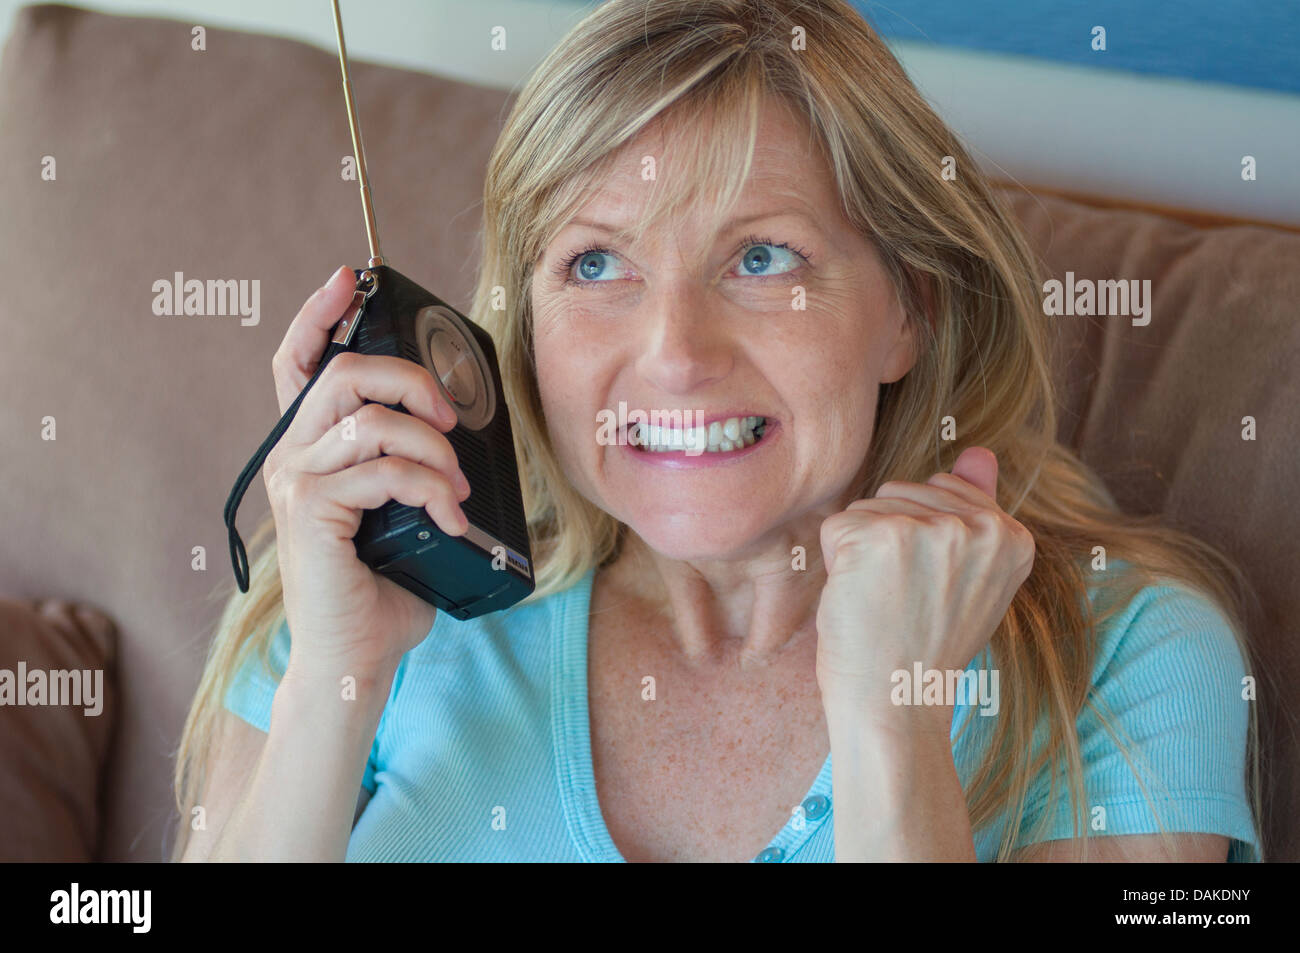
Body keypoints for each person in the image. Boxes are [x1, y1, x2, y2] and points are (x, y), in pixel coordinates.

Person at [173, 0, 1261, 862]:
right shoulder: (373, 592)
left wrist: (894, 723)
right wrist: (333, 675)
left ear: (909, 310)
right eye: (595, 263)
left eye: (761, 258)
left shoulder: (1125, 653)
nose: (675, 350)